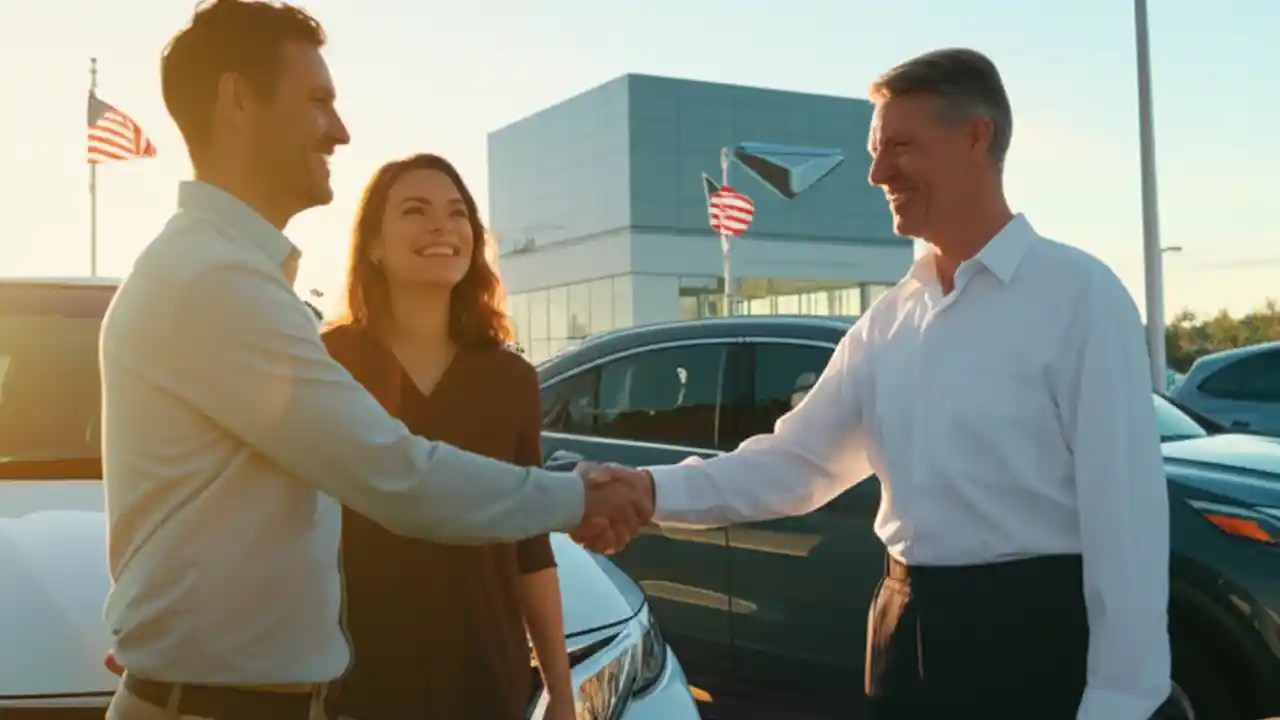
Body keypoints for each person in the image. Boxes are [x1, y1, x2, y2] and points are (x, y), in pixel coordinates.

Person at [580, 48, 1176, 719]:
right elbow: (793, 465)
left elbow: (1126, 526)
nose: (876, 171)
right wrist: (650, 490)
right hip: (901, 641)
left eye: (900, 145)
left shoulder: (1080, 297)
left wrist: (1122, 703)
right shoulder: (889, 321)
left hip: (1032, 648)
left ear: (976, 135)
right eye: (875, 148)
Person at [99, 2, 648, 718]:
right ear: (238, 100)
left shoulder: (231, 278)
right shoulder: (212, 282)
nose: (340, 129)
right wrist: (582, 496)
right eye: (318, 100)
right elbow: (395, 474)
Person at [319, 153, 575, 720]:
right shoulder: (329, 362)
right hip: (356, 681)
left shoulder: (510, 378)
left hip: (485, 679)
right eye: (415, 210)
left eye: (457, 214)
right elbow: (274, 517)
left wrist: (561, 690)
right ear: (374, 245)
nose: (442, 226)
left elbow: (529, 547)